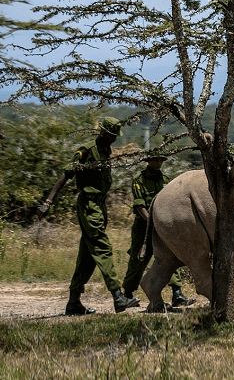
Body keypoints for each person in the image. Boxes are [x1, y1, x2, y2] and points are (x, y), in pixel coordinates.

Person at [38, 116, 141, 315]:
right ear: (103, 132)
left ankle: (73, 302)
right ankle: (118, 296)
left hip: (99, 206)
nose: (114, 140)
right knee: (102, 248)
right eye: (112, 135)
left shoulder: (106, 149)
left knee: (88, 256)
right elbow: (66, 174)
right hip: (89, 205)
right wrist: (48, 202)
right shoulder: (86, 150)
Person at [121, 154, 195, 309]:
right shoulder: (139, 180)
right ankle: (127, 294)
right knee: (139, 258)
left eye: (161, 160)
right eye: (155, 160)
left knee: (171, 255)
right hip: (144, 225)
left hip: (163, 225)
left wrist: (163, 224)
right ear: (148, 161)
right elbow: (140, 206)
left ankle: (177, 294)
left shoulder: (166, 180)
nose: (159, 163)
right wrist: (152, 222)